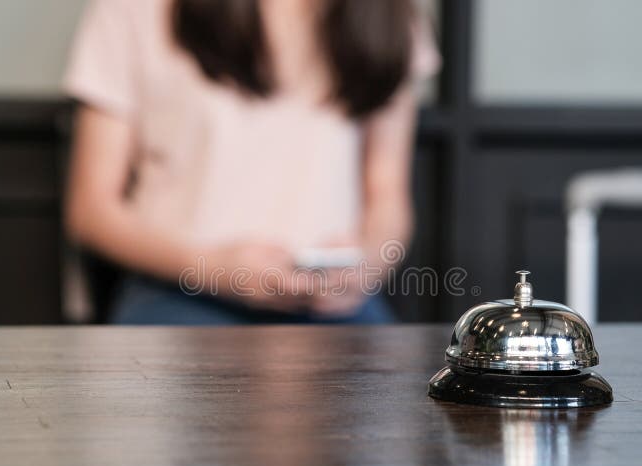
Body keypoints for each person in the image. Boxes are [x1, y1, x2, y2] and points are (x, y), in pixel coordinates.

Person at [64, 0, 440, 325]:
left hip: (333, 307)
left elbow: (387, 193)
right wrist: (211, 268)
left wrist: (366, 267)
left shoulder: (390, 17)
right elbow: (91, 210)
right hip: (178, 291)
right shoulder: (133, 11)